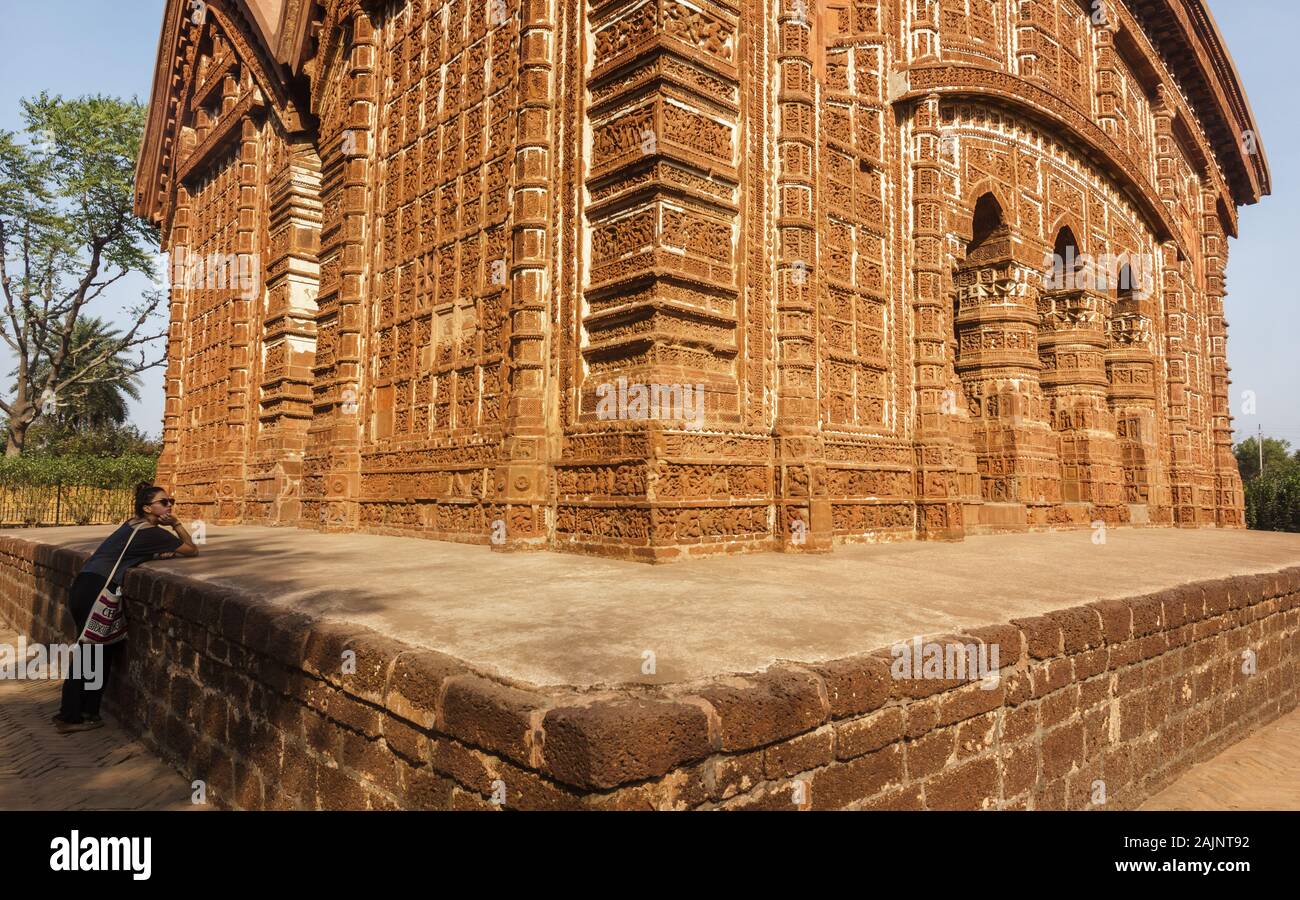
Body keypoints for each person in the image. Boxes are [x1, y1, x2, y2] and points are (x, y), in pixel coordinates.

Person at [52, 482, 198, 733]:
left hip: (86, 585)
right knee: (90, 651)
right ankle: (69, 715)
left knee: (102, 650)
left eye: (170, 501)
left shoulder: (132, 524)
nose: (169, 505)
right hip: (97, 590)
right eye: (164, 502)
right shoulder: (153, 533)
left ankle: (89, 712)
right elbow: (191, 550)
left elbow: (128, 551)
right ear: (147, 508)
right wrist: (175, 524)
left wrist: (152, 554)